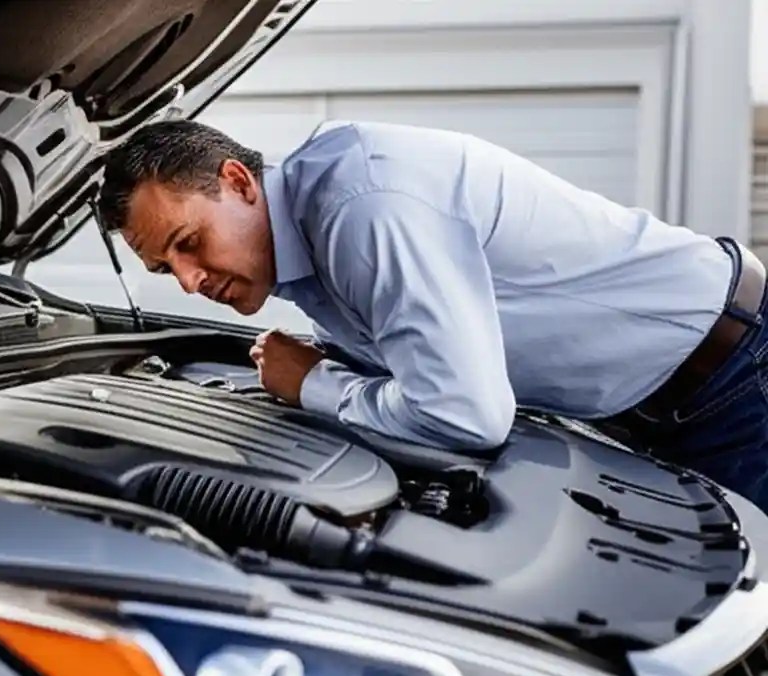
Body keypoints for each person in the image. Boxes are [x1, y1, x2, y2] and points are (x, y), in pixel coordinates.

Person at [95, 119, 768, 509]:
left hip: (739, 380)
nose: (188, 281)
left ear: (238, 183)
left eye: (188, 244)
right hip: (664, 399)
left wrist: (315, 385)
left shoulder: (361, 207)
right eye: (164, 270)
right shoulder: (304, 256)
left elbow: (465, 414)